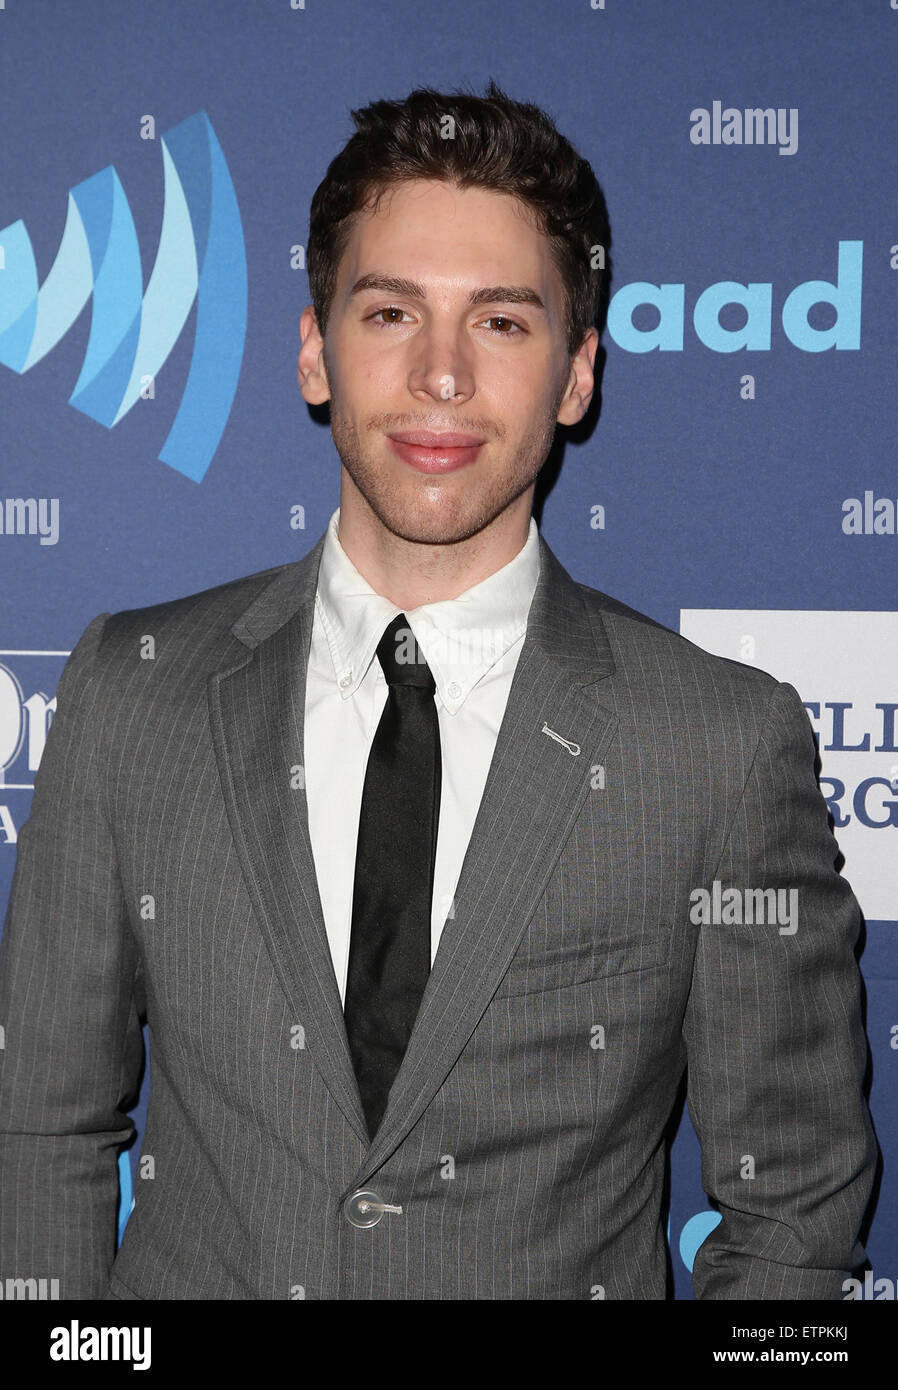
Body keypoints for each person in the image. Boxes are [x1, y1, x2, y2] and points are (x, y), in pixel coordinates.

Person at [0, 82, 876, 1301]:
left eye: (501, 322)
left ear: (576, 375)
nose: (442, 375)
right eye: (390, 312)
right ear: (315, 352)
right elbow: (36, 1131)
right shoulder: (131, 693)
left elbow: (795, 1209)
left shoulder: (716, 745)